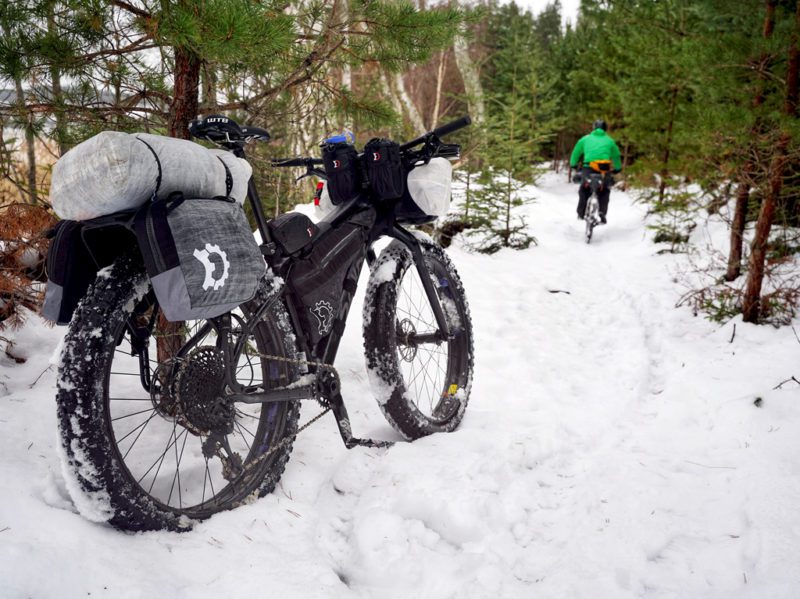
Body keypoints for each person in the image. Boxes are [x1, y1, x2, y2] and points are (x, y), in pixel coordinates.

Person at [569, 119, 622, 224]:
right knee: (604, 190)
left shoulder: (585, 139)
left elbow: (576, 153)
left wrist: (573, 165)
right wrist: (617, 168)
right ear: (605, 129)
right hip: (604, 170)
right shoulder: (610, 140)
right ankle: (602, 212)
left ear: (593, 128)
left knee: (584, 189)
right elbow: (616, 156)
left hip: (588, 168)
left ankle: (581, 212)